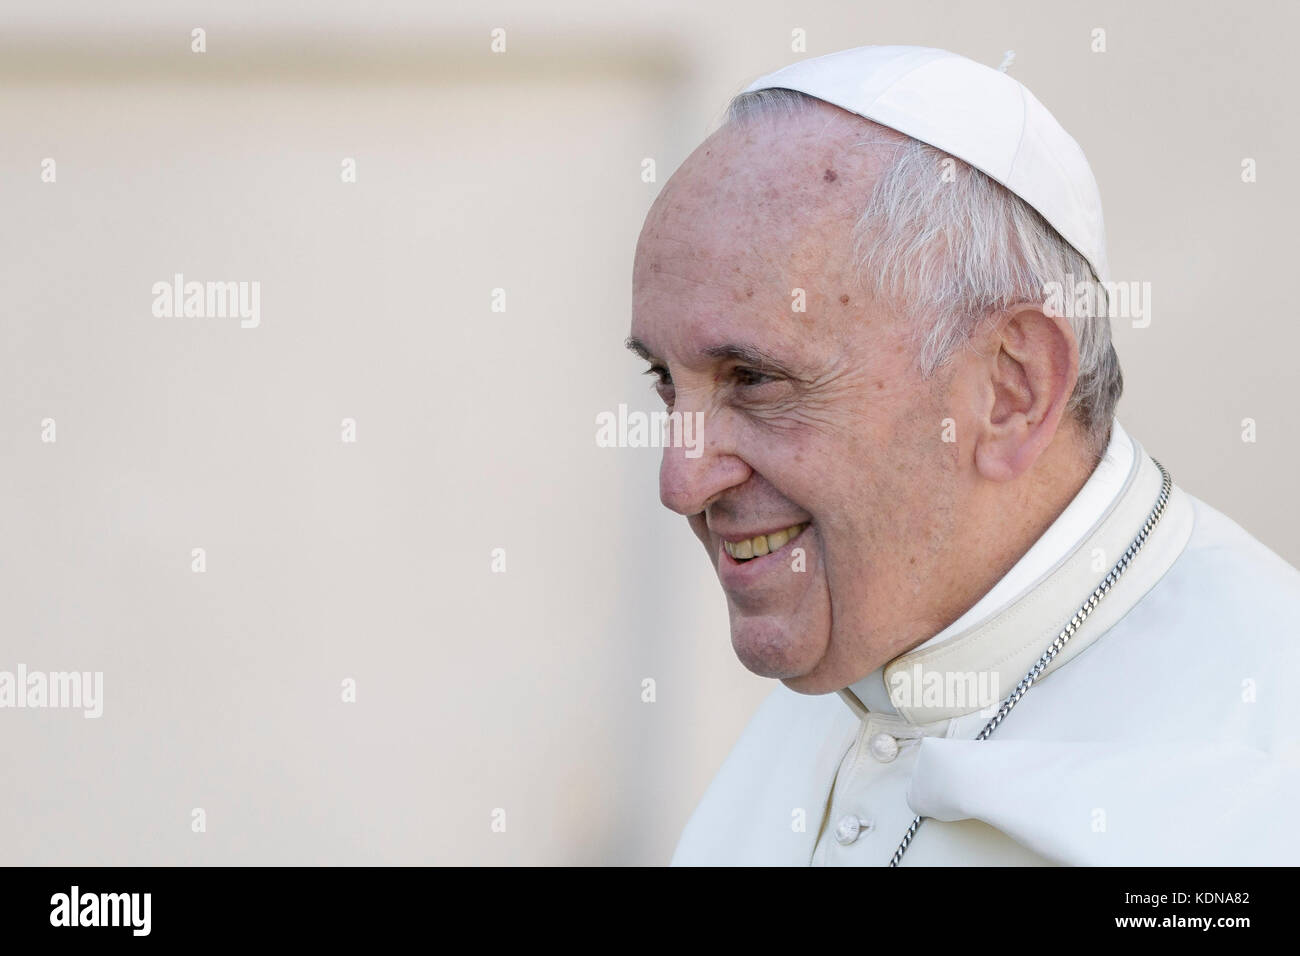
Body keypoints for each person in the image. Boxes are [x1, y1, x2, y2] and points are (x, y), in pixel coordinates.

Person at [627, 45, 1300, 865]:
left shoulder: (1264, 772)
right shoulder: (879, 617)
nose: (681, 480)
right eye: (667, 380)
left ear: (1011, 389)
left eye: (756, 380)